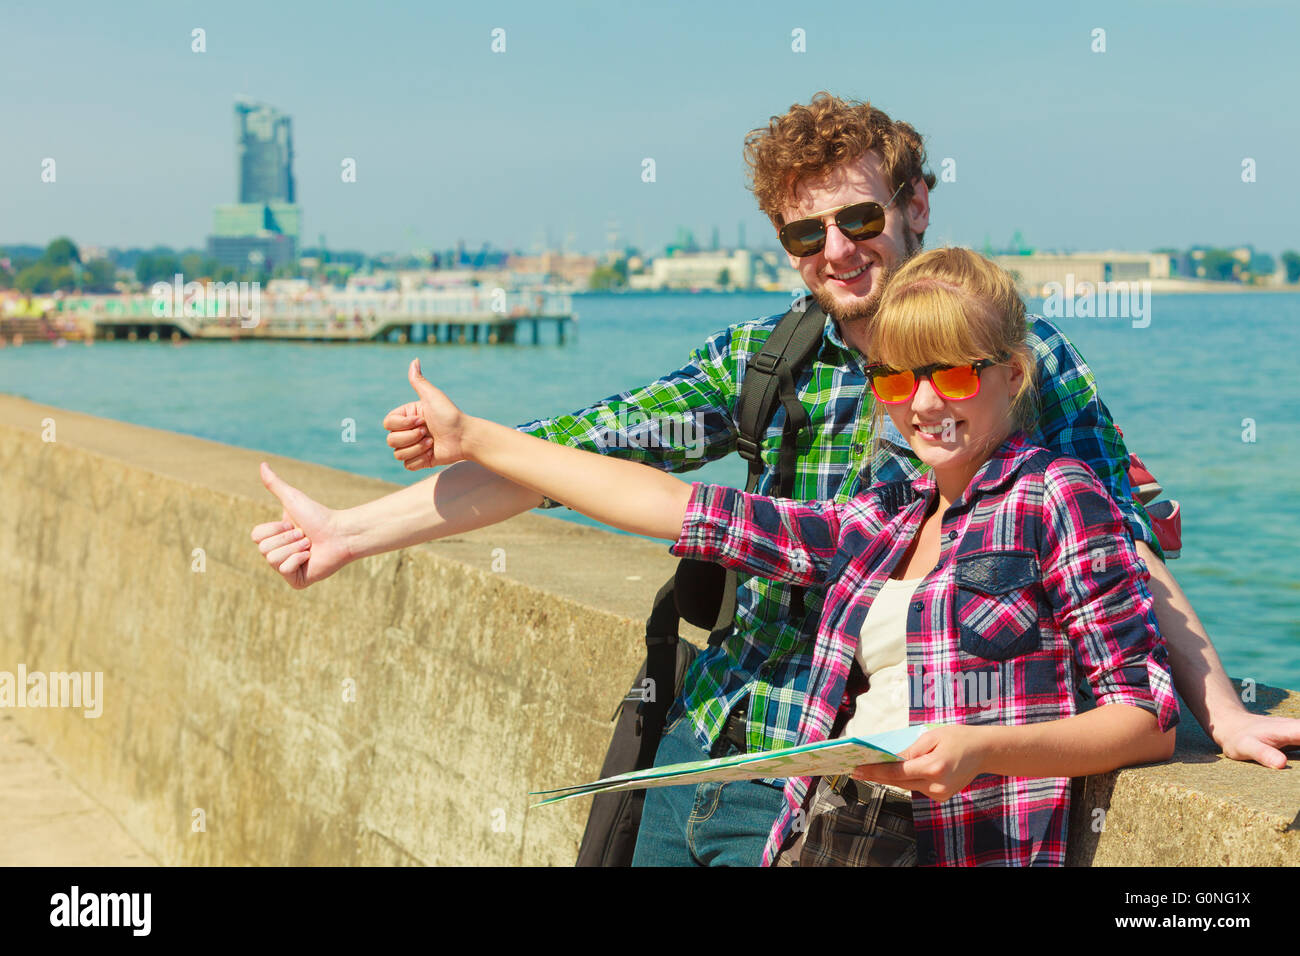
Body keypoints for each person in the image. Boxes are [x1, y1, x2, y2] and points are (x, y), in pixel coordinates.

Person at [251, 92, 1296, 866]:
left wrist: (1217, 703)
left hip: (830, 788)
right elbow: (586, 464)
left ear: (915, 202)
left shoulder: (1010, 358)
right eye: (806, 233)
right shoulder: (769, 368)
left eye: (859, 220)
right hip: (706, 745)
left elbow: (1113, 542)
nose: (836, 250)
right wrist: (349, 532)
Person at [374, 246, 1180, 866]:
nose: (926, 404)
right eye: (897, 383)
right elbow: (686, 510)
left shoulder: (1058, 497)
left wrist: (979, 750)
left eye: (954, 375)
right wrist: (475, 438)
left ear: (1010, 373)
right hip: (831, 835)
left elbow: (1143, 720)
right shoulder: (886, 516)